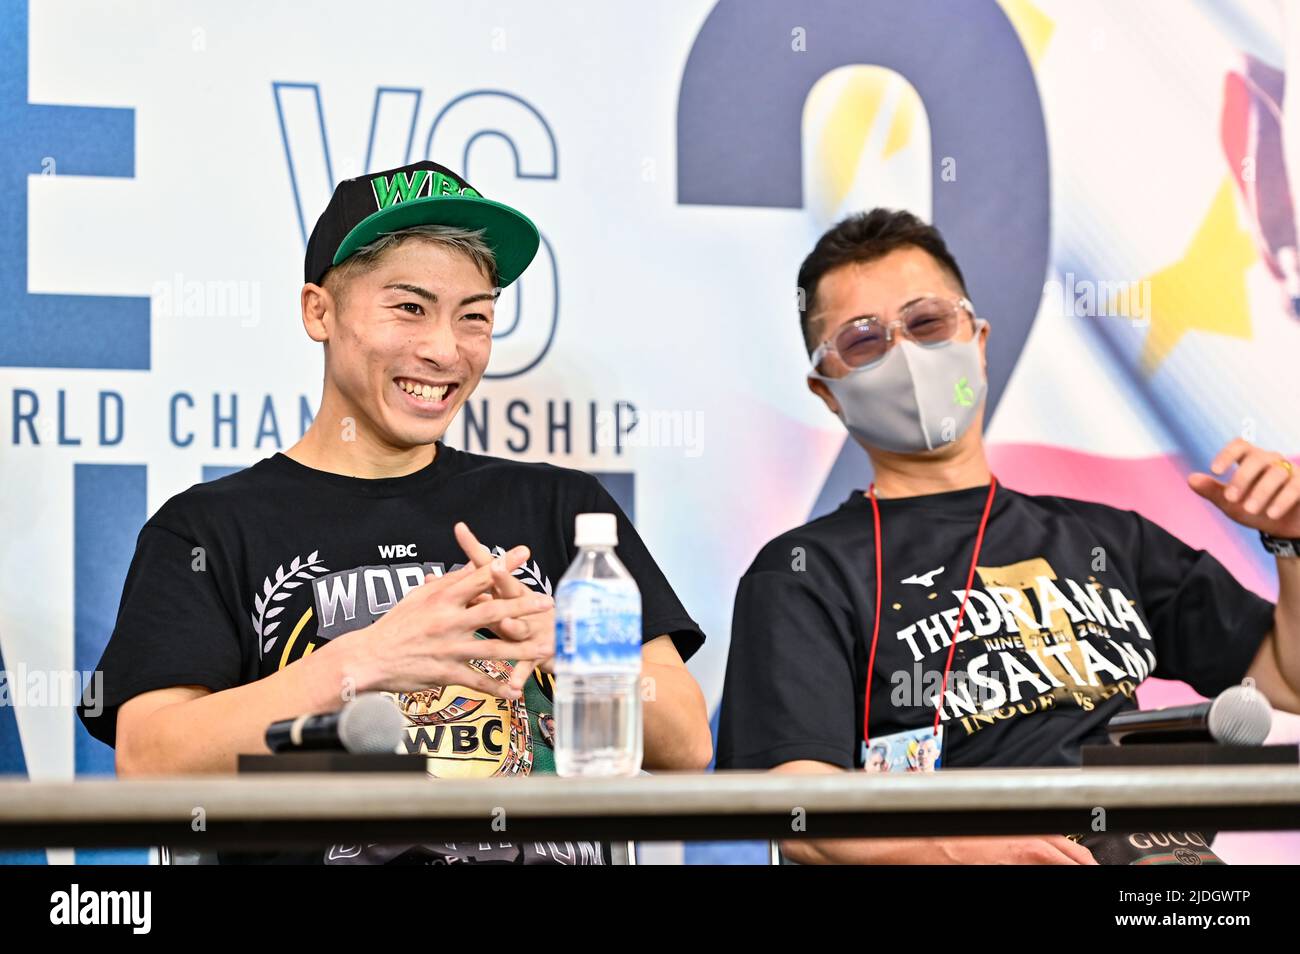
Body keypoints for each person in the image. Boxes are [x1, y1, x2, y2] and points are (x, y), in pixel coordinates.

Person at [77, 160, 712, 865]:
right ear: (319, 310)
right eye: (409, 307)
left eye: (474, 316)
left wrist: (576, 651)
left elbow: (687, 747)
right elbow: (150, 761)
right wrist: (360, 663)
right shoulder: (206, 529)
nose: (445, 350)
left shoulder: (565, 511)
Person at [716, 208, 1300, 864]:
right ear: (828, 392)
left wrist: (1294, 544)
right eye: (864, 342)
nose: (905, 355)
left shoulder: (1106, 539)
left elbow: (1286, 677)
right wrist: (966, 852)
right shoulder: (804, 572)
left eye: (927, 322)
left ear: (980, 341)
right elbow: (797, 807)